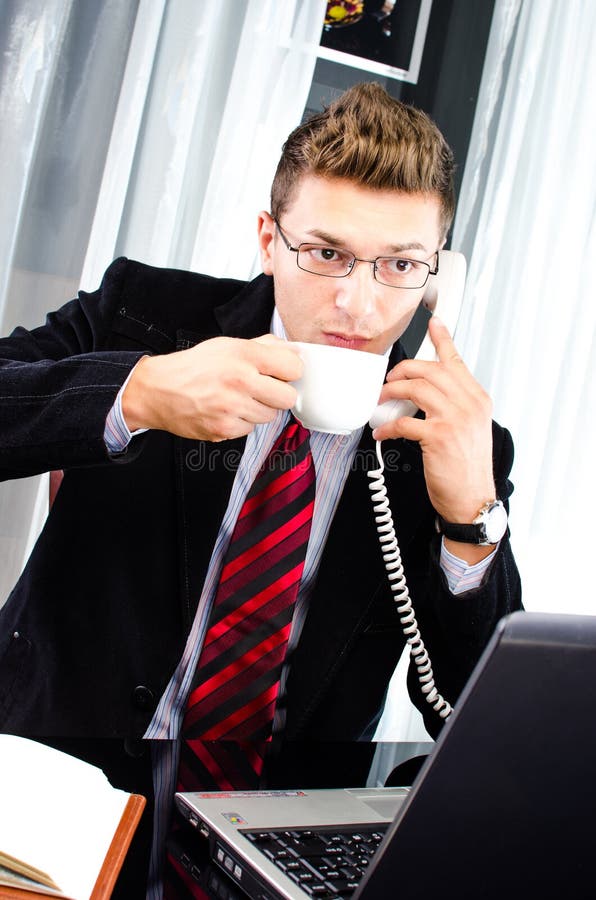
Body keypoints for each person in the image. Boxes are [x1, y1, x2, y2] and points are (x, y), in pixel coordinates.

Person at [0, 83, 521, 897]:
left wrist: (471, 519)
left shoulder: (447, 442)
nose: (358, 302)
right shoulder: (145, 317)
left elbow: (475, 715)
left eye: (400, 266)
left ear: (436, 275)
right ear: (268, 240)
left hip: (263, 849)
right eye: (325, 253)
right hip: (59, 807)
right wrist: (136, 392)